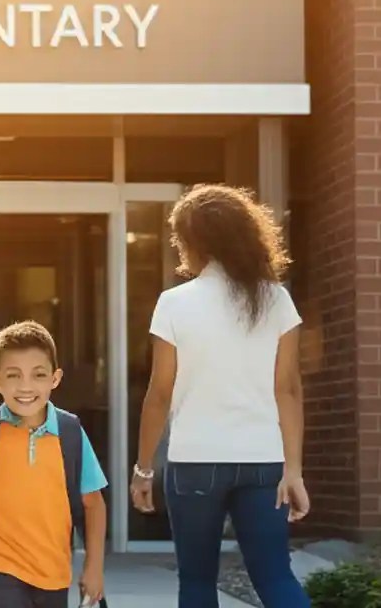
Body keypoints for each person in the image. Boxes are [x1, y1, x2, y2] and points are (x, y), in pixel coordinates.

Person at [130, 184, 310, 608]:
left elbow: (159, 394)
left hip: (195, 462)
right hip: (263, 461)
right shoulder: (276, 300)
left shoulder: (174, 303)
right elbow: (288, 390)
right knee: (274, 576)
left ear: (191, 242)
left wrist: (143, 470)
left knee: (196, 582)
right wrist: (294, 470)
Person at [0, 321, 107, 608]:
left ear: (55, 378)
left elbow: (94, 504)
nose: (26, 386)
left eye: (38, 375)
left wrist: (94, 566)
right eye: (13, 375)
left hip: (54, 571)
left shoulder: (70, 433)